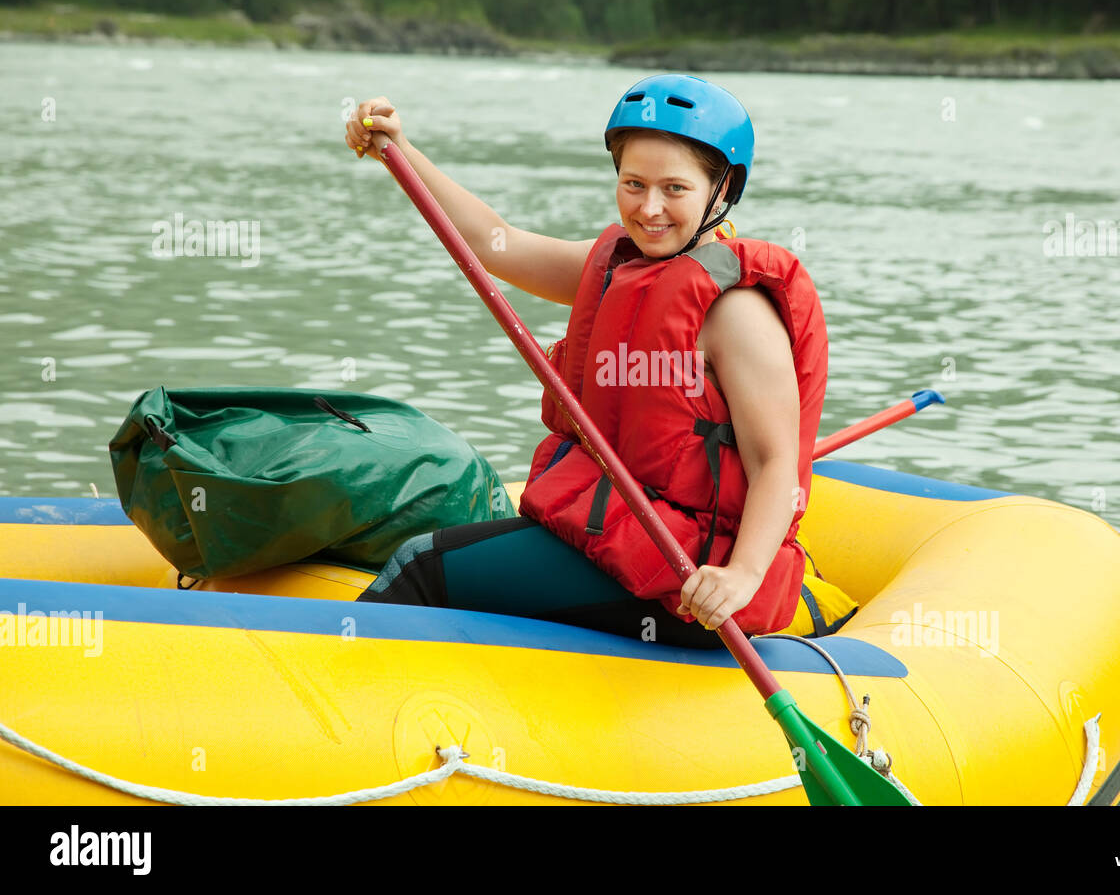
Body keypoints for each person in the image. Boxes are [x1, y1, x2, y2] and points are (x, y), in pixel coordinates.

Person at [346, 74, 829, 648]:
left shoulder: (739, 314)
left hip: (690, 581)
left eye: (674, 188)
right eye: (633, 183)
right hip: (622, 540)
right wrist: (397, 151)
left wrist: (741, 575)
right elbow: (495, 242)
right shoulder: (619, 268)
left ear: (722, 190)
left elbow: (777, 463)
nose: (649, 208)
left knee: (419, 566)